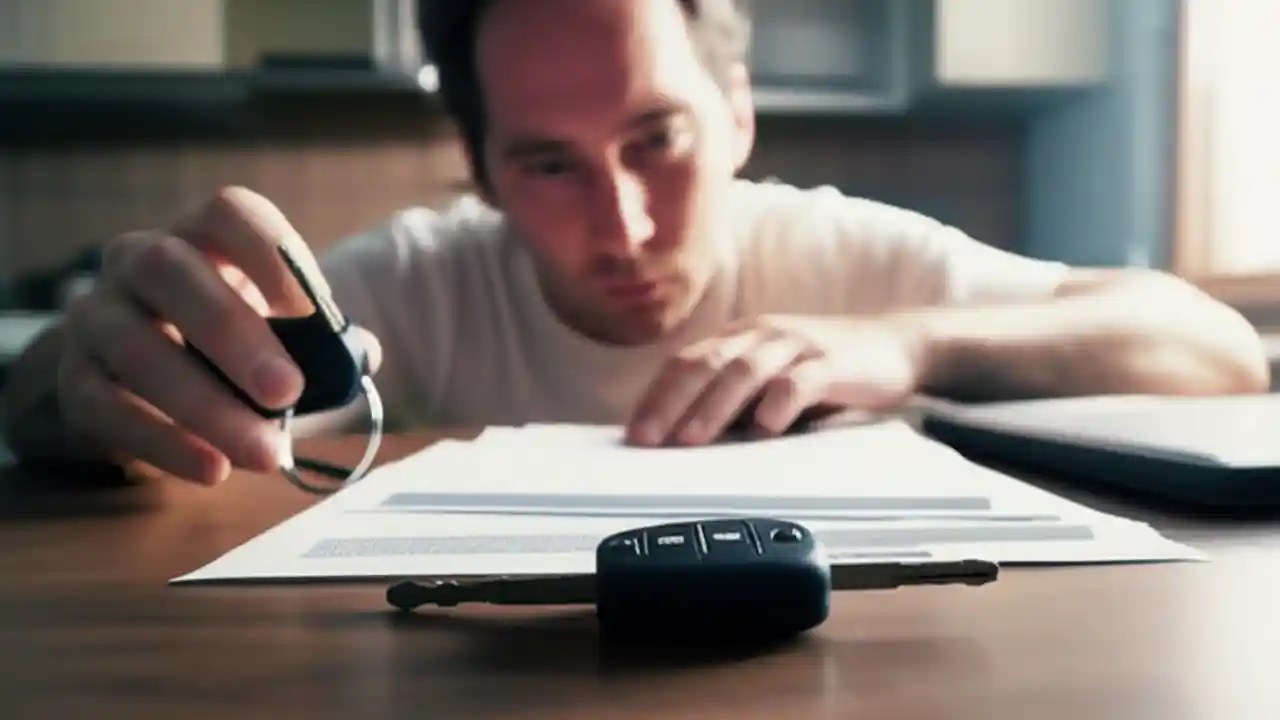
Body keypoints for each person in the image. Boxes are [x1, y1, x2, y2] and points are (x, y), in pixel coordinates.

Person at [0, 0, 1268, 487]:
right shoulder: (419, 278)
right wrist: (73, 380)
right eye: (547, 164)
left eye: (656, 138)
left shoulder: (846, 258)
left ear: (737, 114)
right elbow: (54, 403)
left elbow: (1216, 350)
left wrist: (912, 342)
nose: (622, 224)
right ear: (481, 171)